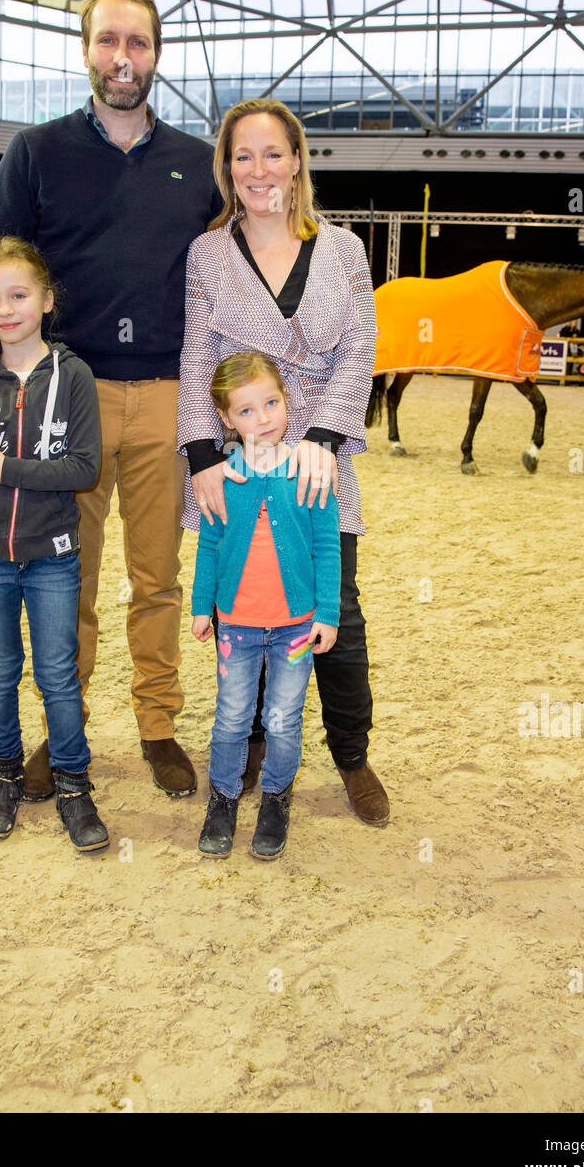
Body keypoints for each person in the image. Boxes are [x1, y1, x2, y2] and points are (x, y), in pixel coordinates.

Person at [0, 0, 222, 804]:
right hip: (70, 396)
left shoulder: (197, 164)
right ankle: (62, 731)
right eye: (108, 41)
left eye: (137, 43)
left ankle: (158, 724)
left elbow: (226, 283)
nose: (123, 58)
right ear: (86, 50)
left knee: (159, 575)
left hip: (169, 395)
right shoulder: (35, 153)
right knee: (69, 574)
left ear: (156, 54)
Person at [178, 97, 389, 827]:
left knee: (338, 616)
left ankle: (352, 755)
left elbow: (360, 350)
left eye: (273, 153)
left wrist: (322, 441)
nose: (259, 169)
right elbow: (198, 354)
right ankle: (257, 745)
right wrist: (204, 456)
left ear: (297, 160)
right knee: (245, 602)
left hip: (317, 459)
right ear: (226, 168)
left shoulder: (347, 251)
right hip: (238, 458)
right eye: (243, 156)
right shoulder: (207, 254)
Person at [0, 237, 108, 850]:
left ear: (46, 299)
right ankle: (3, 773)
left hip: (53, 555)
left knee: (58, 674)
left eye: (18, 294)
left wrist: (7, 468)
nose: (5, 309)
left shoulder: (75, 375)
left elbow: (84, 469)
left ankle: (72, 783)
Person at [191, 352, 341, 859]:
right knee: (232, 717)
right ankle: (224, 797)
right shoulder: (222, 477)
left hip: (296, 628)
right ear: (228, 420)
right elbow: (209, 545)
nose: (263, 419)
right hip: (236, 624)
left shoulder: (308, 469)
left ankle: (276, 796)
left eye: (271, 403)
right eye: (247, 411)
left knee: (283, 717)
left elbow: (326, 545)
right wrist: (200, 606)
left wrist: (327, 613)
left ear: (287, 398)